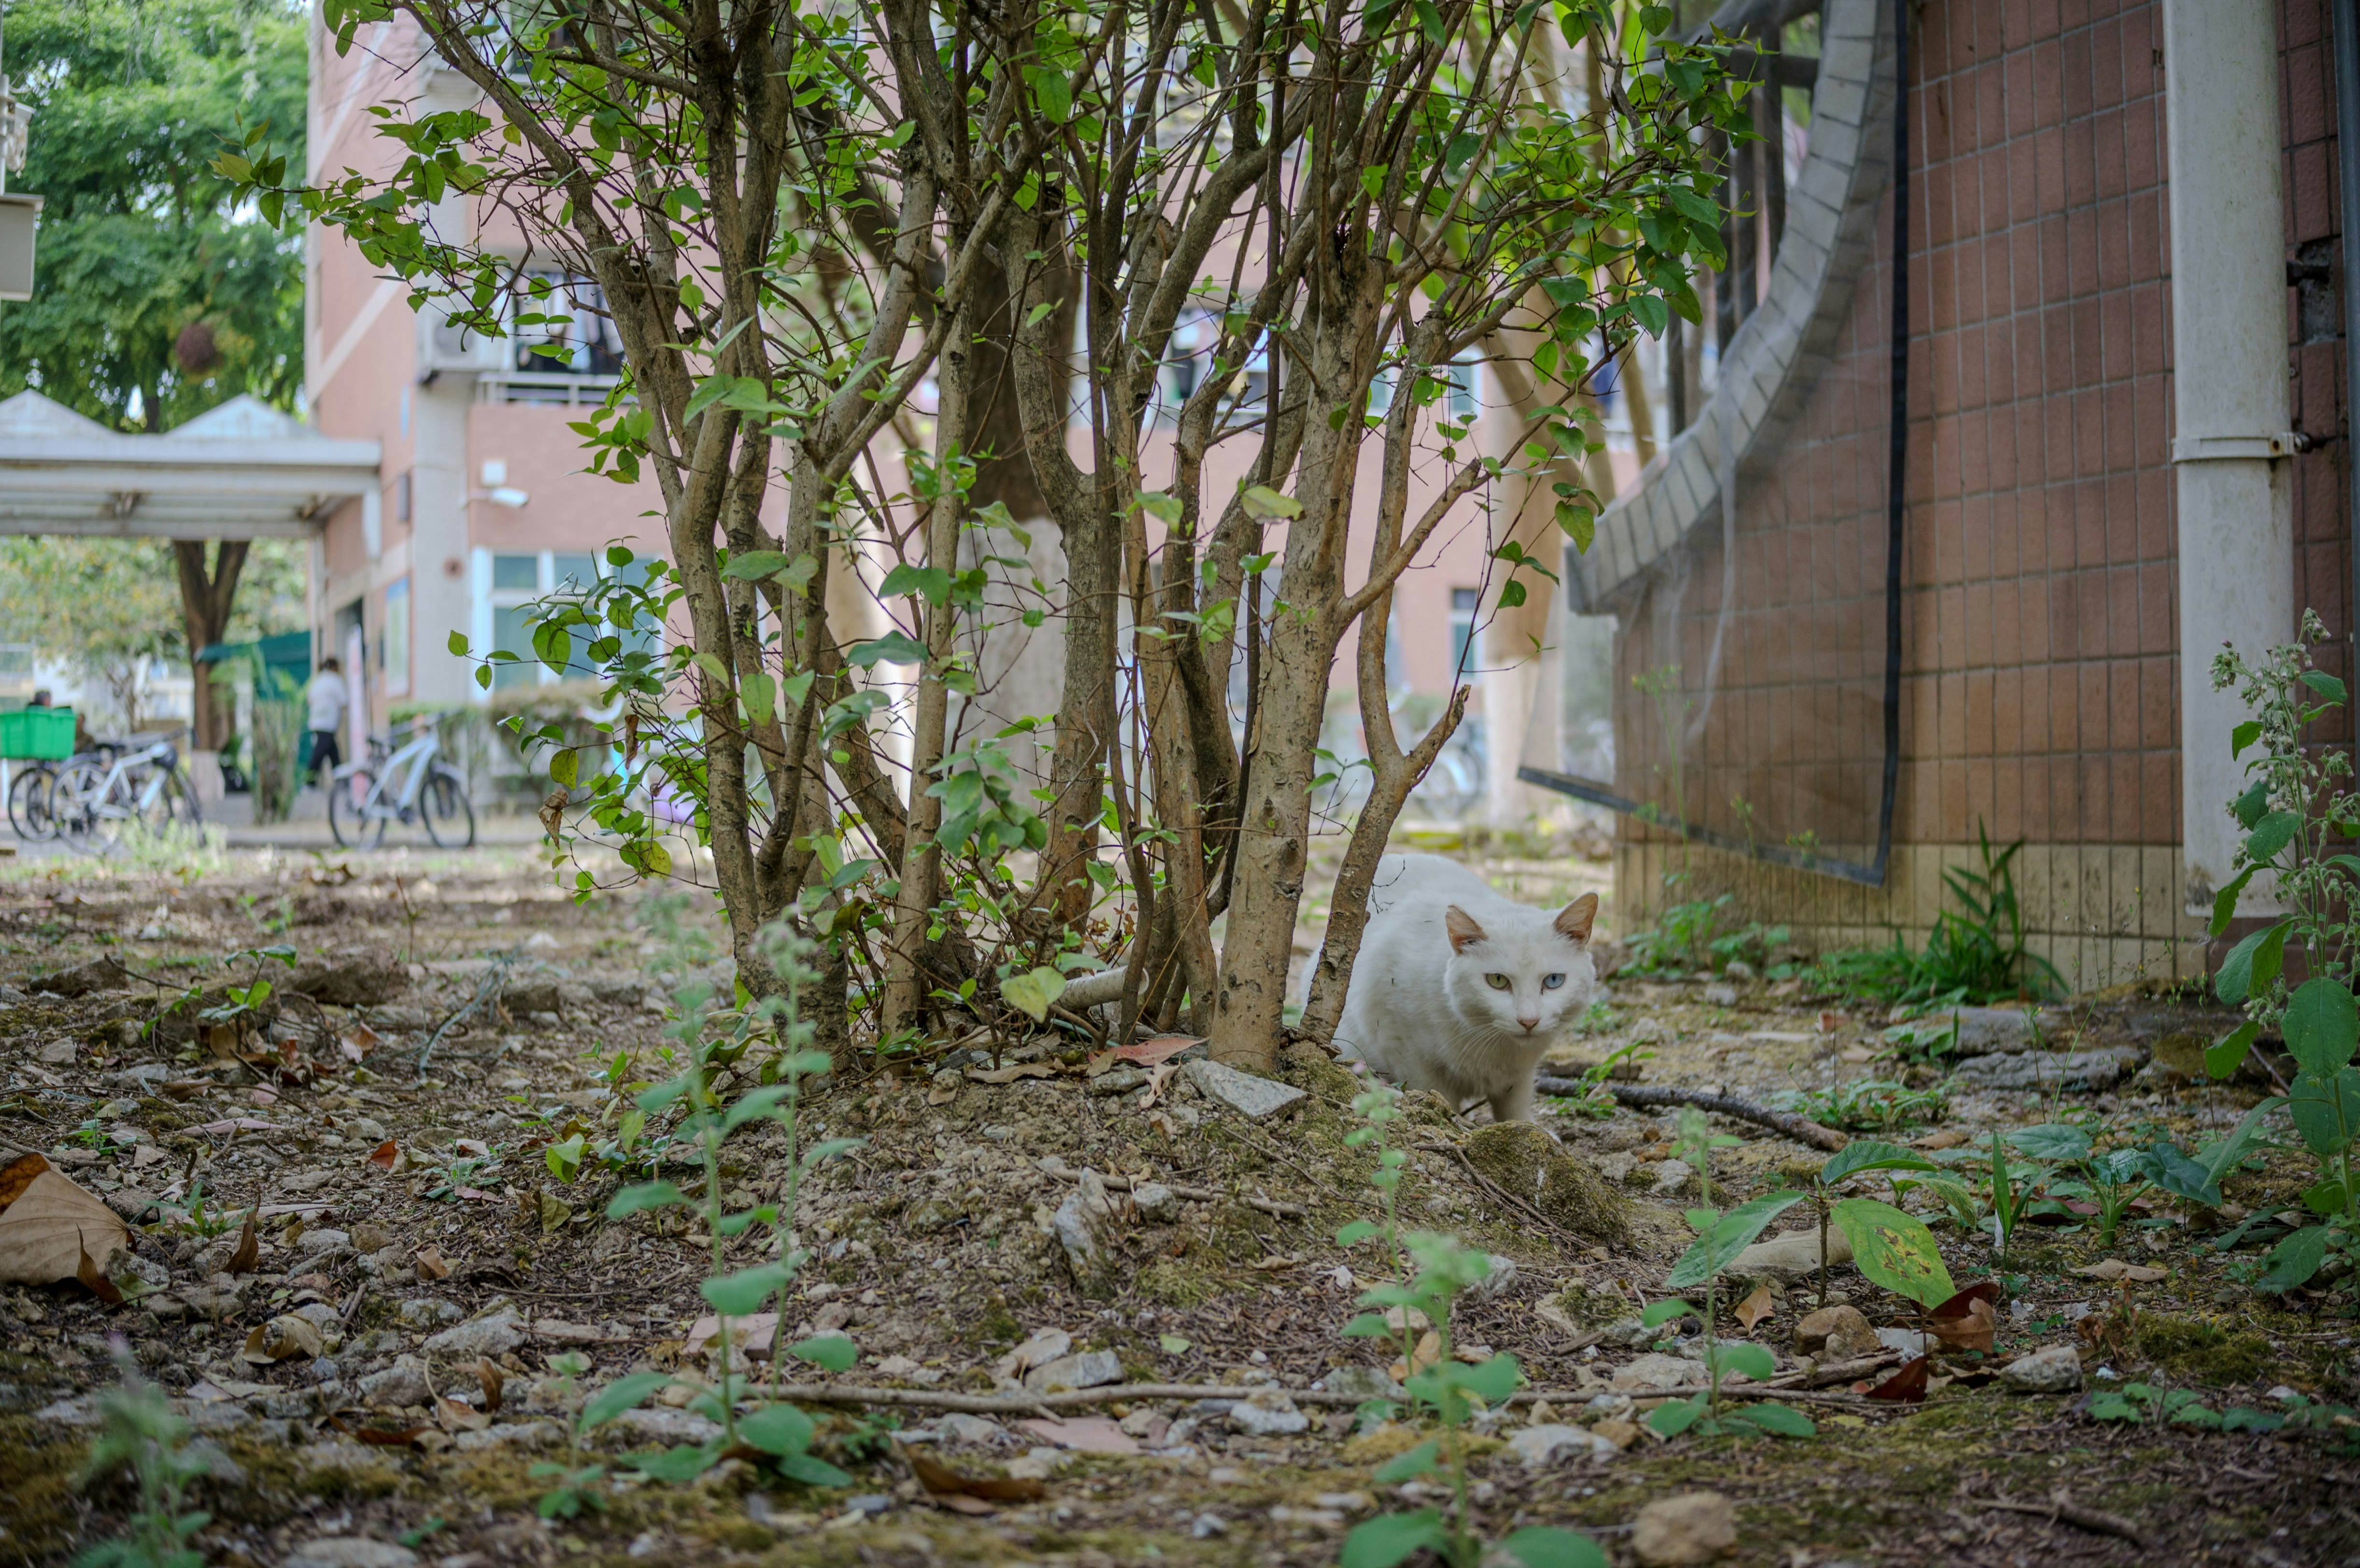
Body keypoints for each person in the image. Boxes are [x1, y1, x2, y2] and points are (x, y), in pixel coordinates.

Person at [307, 657, 349, 786]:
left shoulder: (318, 680)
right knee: (319, 753)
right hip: (327, 723)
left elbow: (309, 699)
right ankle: (309, 782)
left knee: (333, 752)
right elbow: (345, 702)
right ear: (335, 667)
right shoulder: (335, 681)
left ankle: (341, 780)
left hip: (317, 722)